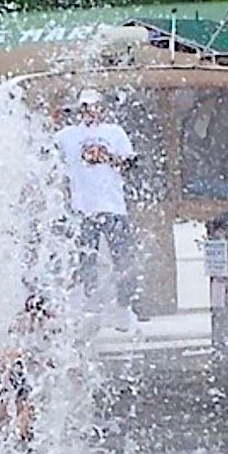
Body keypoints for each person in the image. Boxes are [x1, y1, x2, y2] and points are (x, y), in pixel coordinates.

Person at [54, 89, 139, 323]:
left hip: (113, 207)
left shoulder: (114, 132)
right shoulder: (67, 135)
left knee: (124, 258)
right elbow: (46, 149)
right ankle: (90, 304)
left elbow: (131, 162)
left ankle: (124, 304)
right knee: (85, 261)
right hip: (83, 209)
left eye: (94, 107)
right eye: (85, 107)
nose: (90, 112)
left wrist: (110, 159)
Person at [0, 294, 56, 444]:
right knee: (19, 413)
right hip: (15, 371)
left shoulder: (21, 323)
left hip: (12, 373)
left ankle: (5, 443)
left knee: (8, 414)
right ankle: (15, 444)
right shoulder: (28, 324)